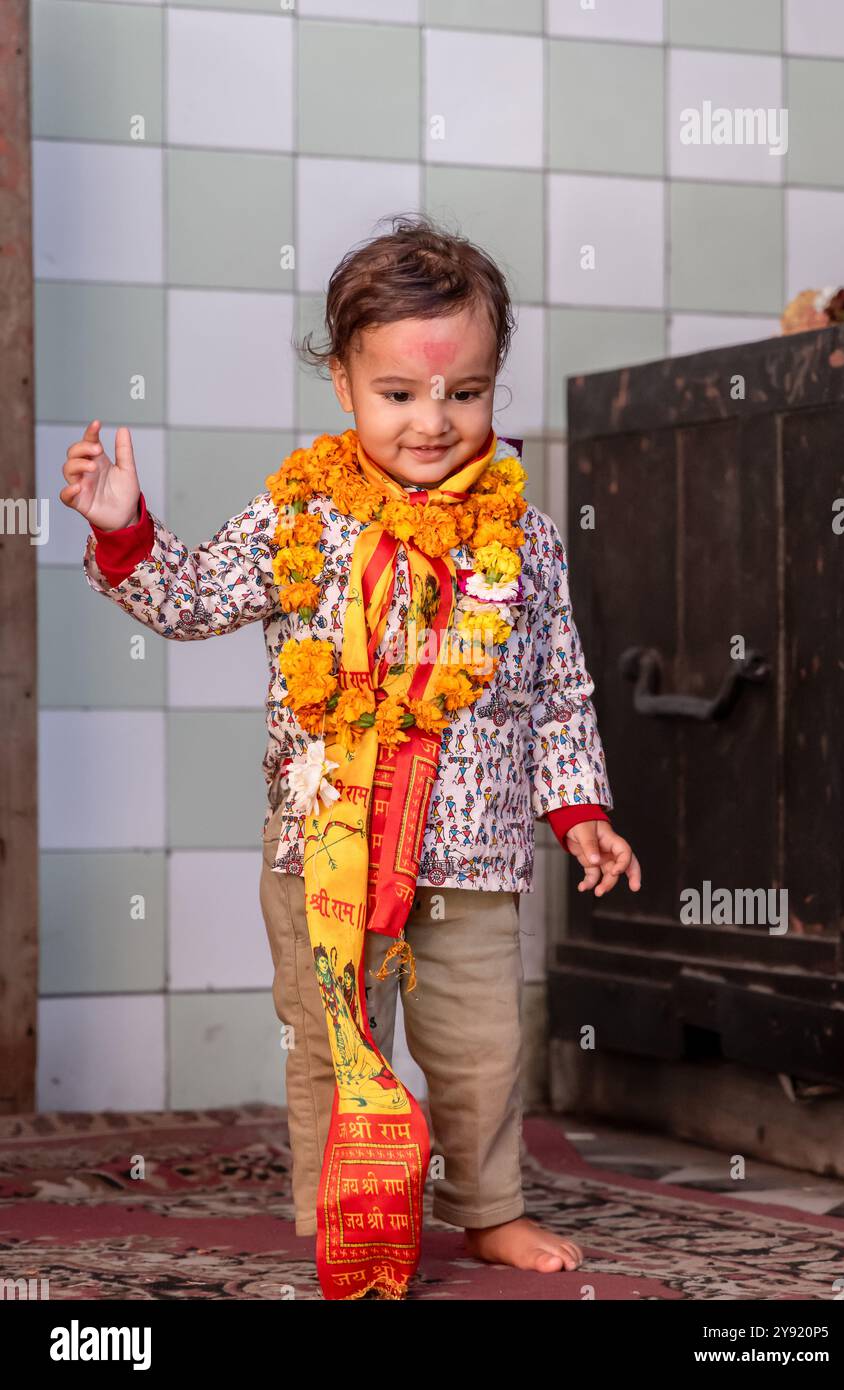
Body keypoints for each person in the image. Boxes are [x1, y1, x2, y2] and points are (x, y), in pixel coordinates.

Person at [61, 214, 641, 1300]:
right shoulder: (303, 516)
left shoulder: (528, 540)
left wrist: (579, 812)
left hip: (469, 852)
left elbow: (561, 691)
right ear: (343, 384)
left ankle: (490, 1211)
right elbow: (193, 601)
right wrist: (125, 529)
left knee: (480, 1049)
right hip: (324, 843)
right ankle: (346, 1212)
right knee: (331, 1035)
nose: (434, 422)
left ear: (494, 384)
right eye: (401, 394)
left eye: (465, 393)